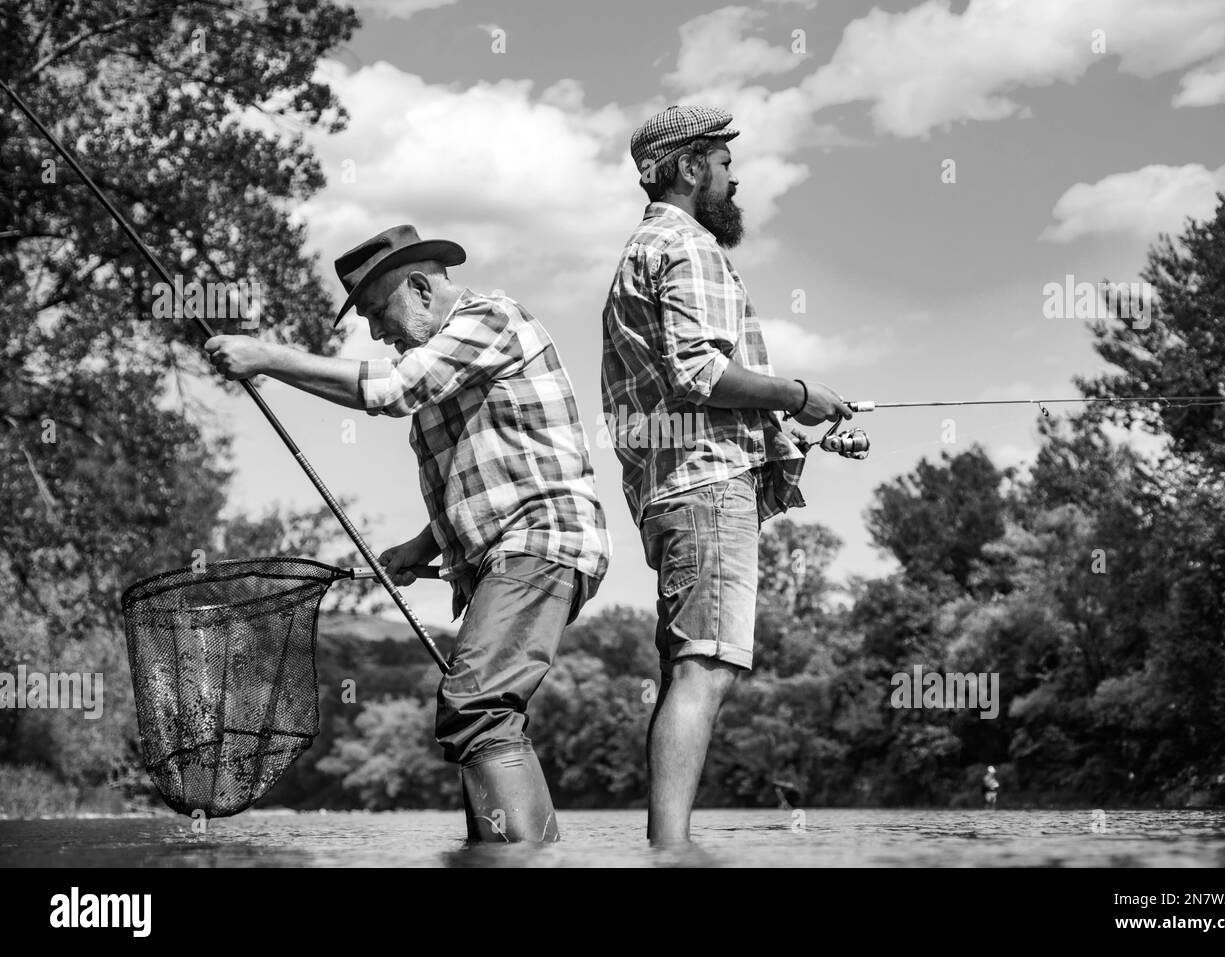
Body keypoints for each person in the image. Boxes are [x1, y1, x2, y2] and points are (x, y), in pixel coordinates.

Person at [205, 224, 610, 843]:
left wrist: (268, 358)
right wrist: (422, 547)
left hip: (541, 541)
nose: (375, 332)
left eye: (376, 312)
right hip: (510, 552)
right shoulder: (448, 358)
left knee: (475, 704)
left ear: (420, 287)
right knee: (483, 713)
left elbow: (392, 392)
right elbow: (489, 470)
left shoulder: (490, 319)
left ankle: (520, 860)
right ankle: (512, 852)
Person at [602, 106, 854, 844]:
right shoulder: (688, 246)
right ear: (689, 167)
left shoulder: (639, 251)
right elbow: (700, 371)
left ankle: (666, 845)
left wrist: (794, 426)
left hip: (674, 489)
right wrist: (799, 393)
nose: (733, 176)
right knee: (703, 668)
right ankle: (671, 849)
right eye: (723, 161)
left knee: (691, 662)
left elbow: (682, 388)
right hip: (706, 488)